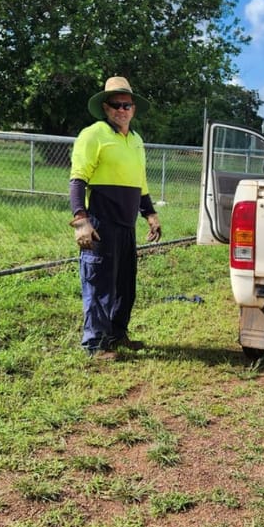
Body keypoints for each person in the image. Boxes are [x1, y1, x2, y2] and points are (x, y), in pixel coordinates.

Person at [69, 76, 162, 359]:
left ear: (133, 109)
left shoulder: (136, 141)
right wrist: (80, 220)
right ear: (105, 108)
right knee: (99, 285)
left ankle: (117, 335)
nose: (122, 110)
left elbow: (140, 183)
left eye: (127, 105)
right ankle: (95, 346)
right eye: (116, 105)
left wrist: (150, 213)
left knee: (124, 285)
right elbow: (77, 180)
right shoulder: (93, 134)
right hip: (100, 224)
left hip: (126, 226)